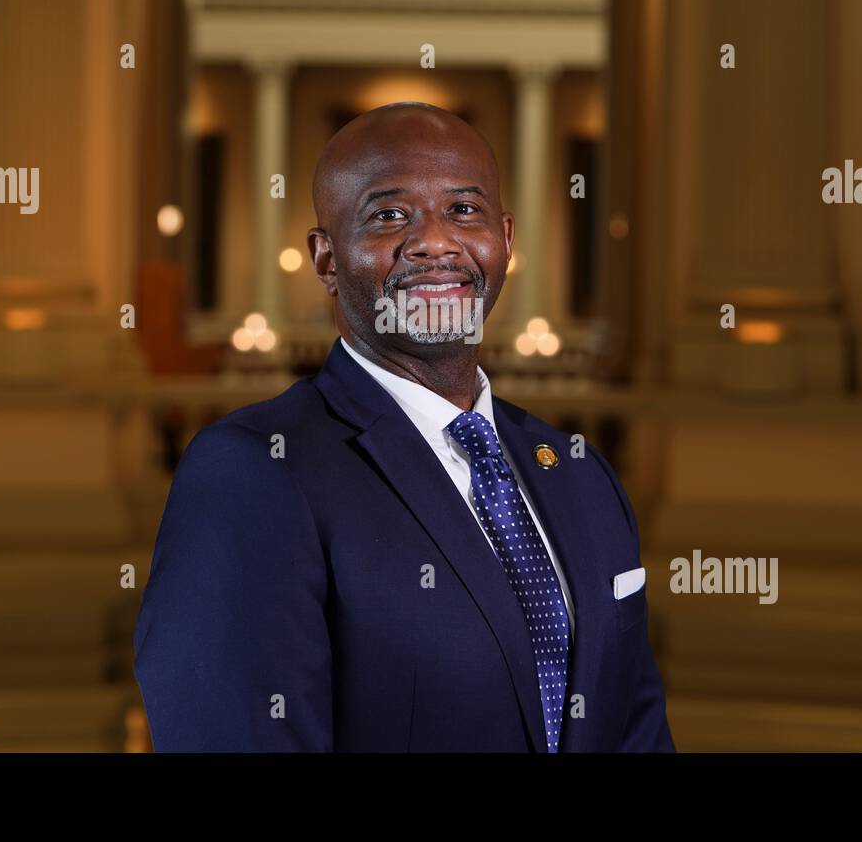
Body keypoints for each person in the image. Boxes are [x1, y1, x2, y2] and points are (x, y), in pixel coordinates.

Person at [133, 102, 674, 752]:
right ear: (326, 259)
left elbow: (637, 732)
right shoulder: (252, 475)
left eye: (464, 210)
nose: (435, 241)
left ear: (504, 239)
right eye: (390, 215)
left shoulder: (580, 473)